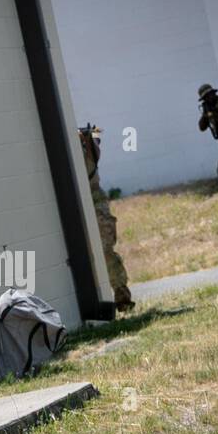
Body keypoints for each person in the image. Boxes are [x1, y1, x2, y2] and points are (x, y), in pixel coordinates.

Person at [78, 124, 133, 312]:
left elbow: (96, 147)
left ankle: (121, 295)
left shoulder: (87, 144)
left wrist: (85, 138)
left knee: (105, 249)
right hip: (77, 202)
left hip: (95, 199)